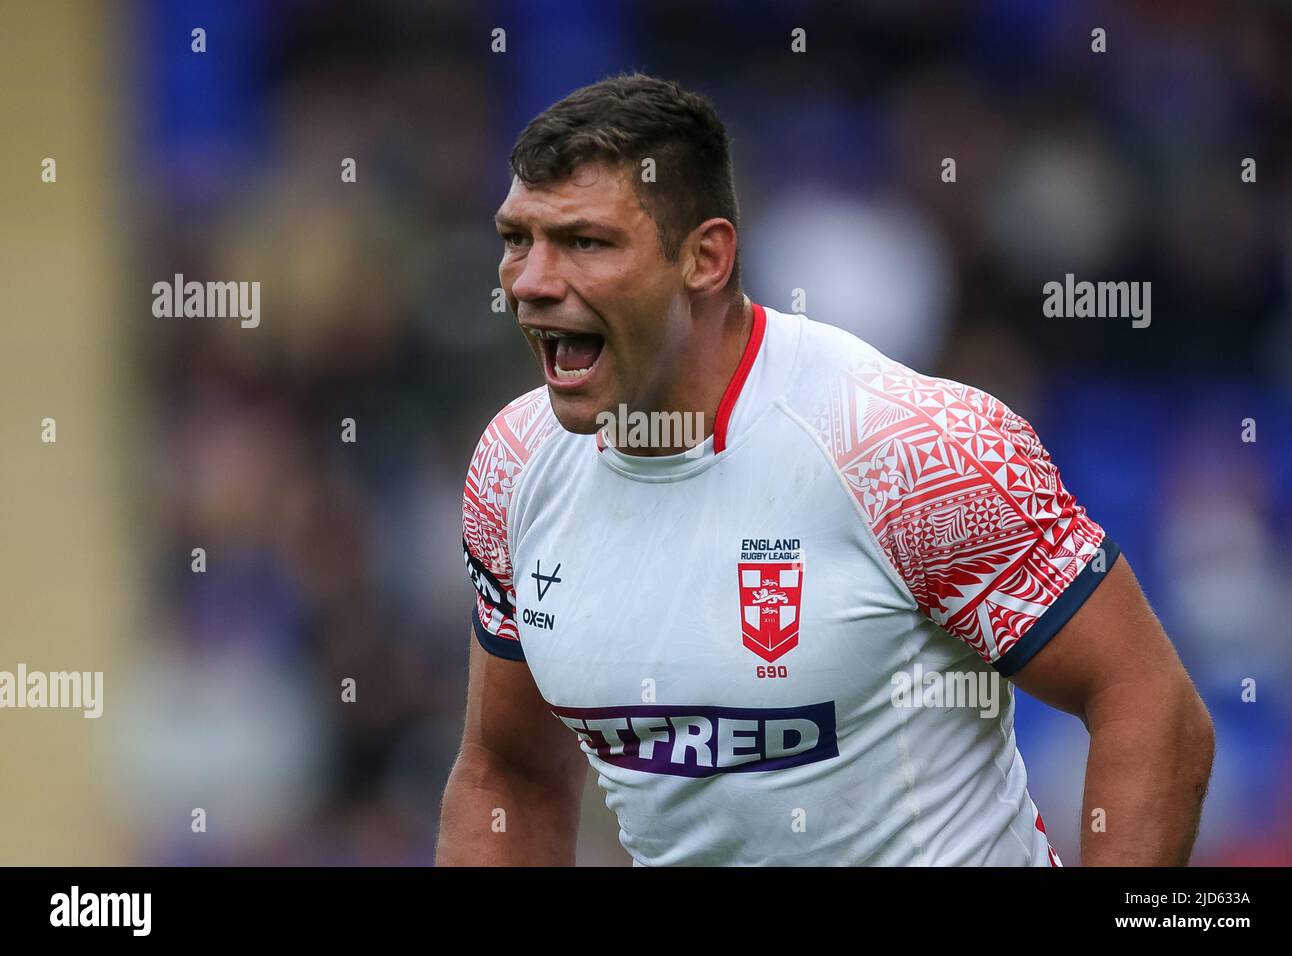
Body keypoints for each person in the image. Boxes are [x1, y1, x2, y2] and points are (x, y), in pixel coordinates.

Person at [436, 73, 1214, 866]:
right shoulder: (515, 465)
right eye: (517, 239)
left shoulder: (907, 448)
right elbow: (509, 774)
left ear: (705, 257)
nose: (531, 282)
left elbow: (1149, 703)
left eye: (584, 243)